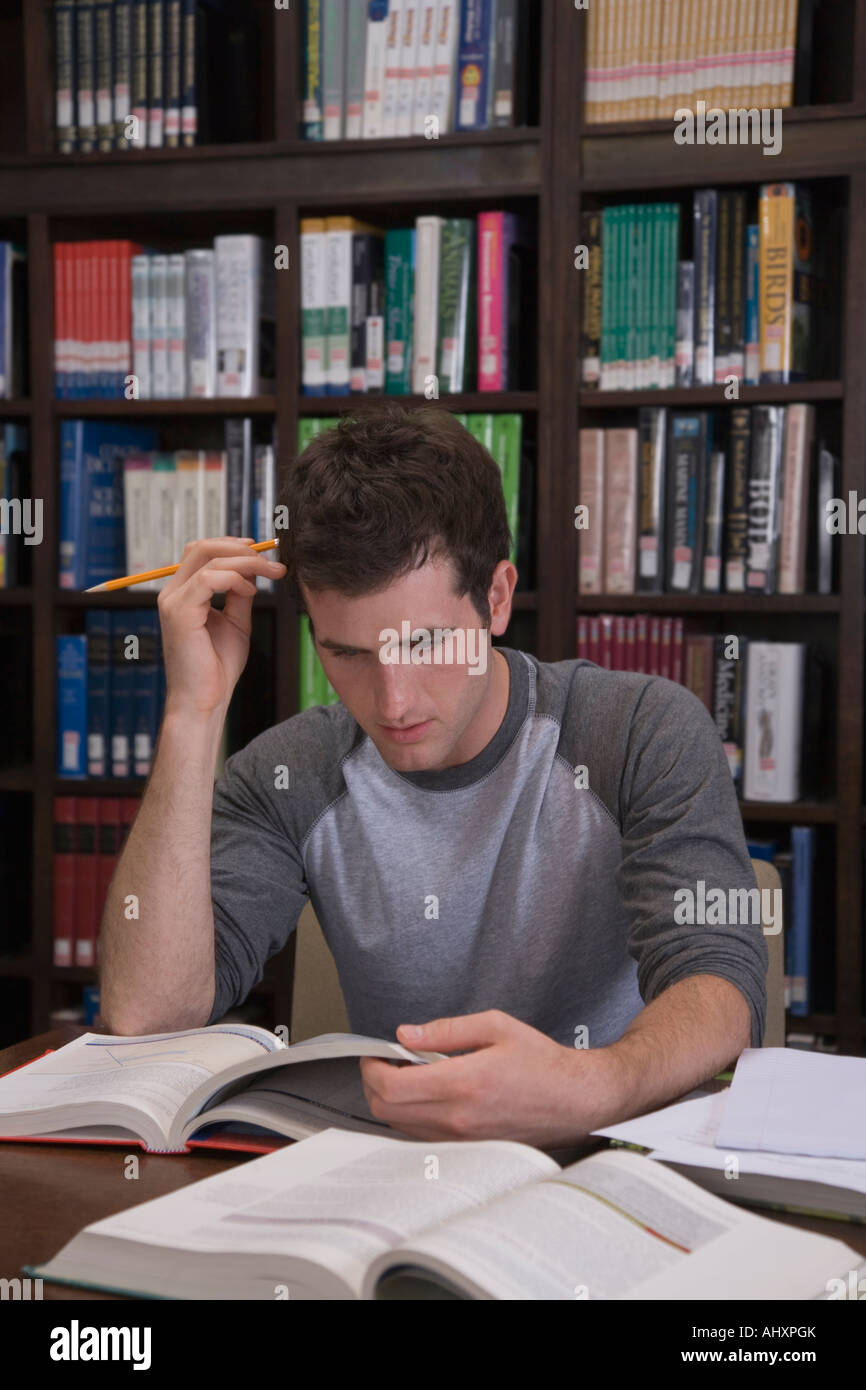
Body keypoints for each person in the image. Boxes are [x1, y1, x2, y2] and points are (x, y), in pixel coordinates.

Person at [100, 402, 768, 1148]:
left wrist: (591, 1087)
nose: (393, 701)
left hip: (607, 1162)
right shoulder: (288, 773)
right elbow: (148, 1015)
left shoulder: (642, 730)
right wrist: (194, 712)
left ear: (498, 598)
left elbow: (720, 982)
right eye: (347, 654)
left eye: (424, 642)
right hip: (394, 1178)